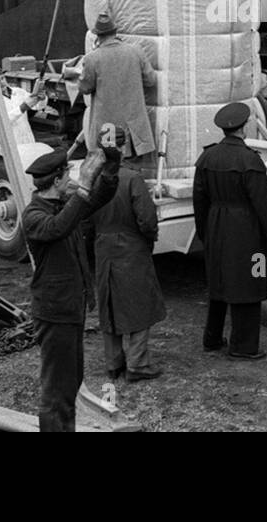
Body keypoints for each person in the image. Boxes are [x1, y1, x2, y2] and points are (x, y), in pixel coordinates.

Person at [23, 133, 123, 433]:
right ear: (56, 181)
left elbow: (101, 196)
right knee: (57, 391)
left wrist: (111, 162)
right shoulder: (35, 216)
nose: (73, 178)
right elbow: (60, 227)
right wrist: (86, 183)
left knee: (69, 384)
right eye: (68, 175)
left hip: (68, 309)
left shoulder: (62, 203)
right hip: (55, 312)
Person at [193, 101, 267, 360]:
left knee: (219, 281)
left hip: (216, 226)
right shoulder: (250, 161)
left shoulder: (207, 158)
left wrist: (204, 232)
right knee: (250, 284)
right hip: (247, 232)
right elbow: (264, 205)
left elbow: (200, 201)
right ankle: (243, 346)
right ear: (244, 128)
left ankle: (212, 338)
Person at [92, 132, 166, 382]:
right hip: (131, 247)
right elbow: (147, 219)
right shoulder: (132, 178)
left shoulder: (91, 177)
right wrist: (149, 239)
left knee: (109, 304)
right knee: (139, 304)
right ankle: (137, 363)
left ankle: (114, 363)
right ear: (123, 148)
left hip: (103, 247)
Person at [77, 11, 156, 163]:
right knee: (132, 173)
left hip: (108, 130)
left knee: (108, 171)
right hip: (134, 128)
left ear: (97, 36)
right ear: (115, 32)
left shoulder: (92, 58)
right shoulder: (136, 51)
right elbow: (151, 80)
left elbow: (84, 88)